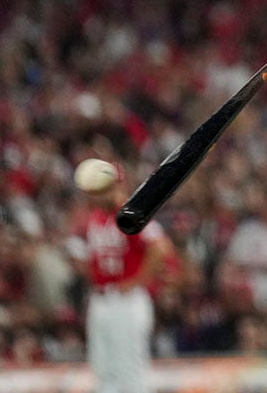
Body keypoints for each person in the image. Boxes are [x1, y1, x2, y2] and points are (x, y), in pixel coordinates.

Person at [79, 165, 173, 393]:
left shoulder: (131, 213)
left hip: (126, 300)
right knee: (102, 371)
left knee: (129, 372)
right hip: (102, 299)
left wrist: (137, 280)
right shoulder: (96, 216)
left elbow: (161, 248)